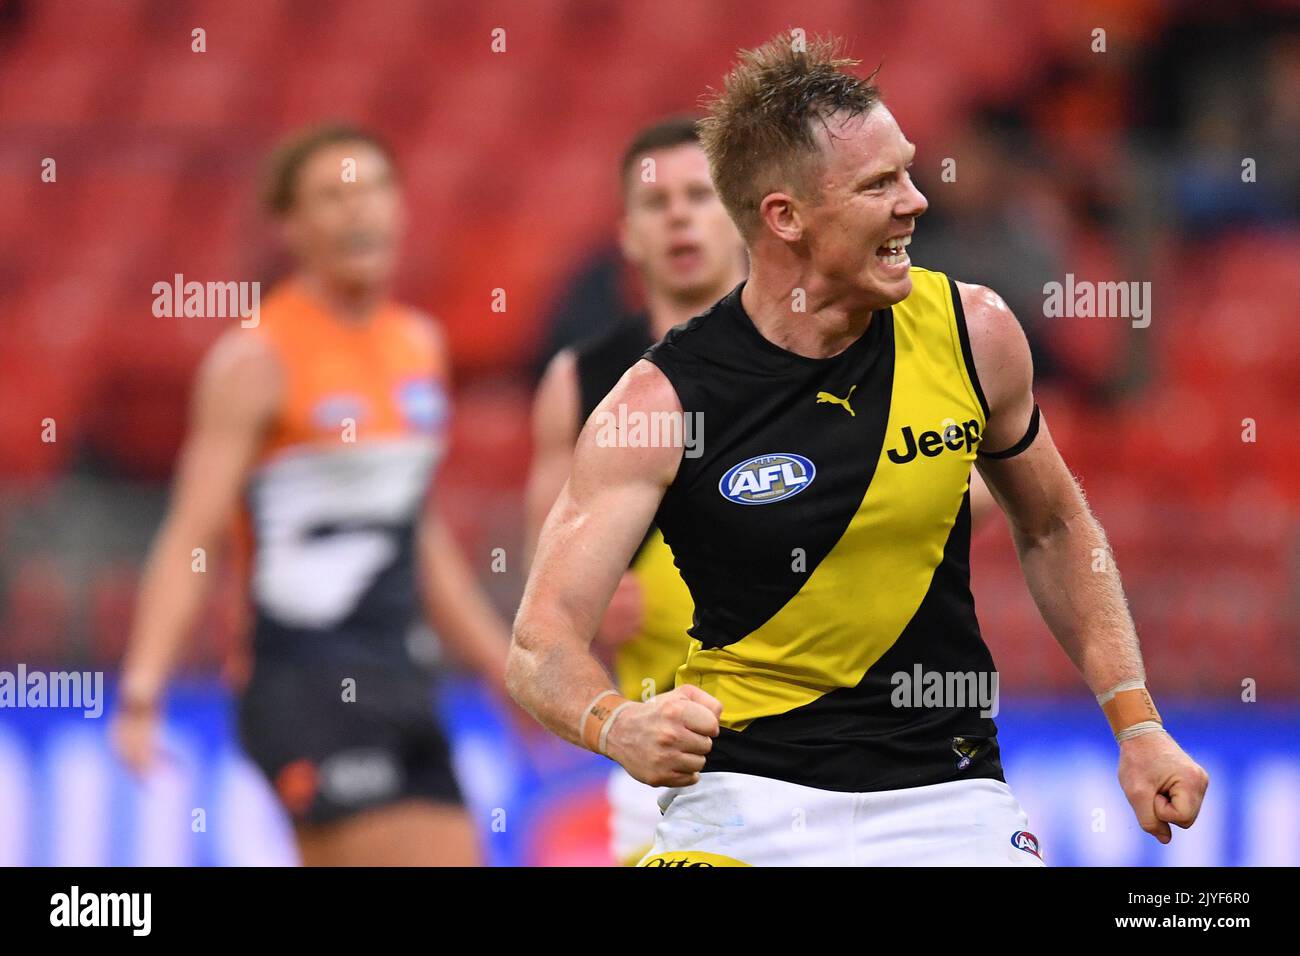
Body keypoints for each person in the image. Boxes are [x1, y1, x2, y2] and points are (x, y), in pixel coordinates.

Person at [507, 35, 1208, 866]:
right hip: (744, 803)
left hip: (949, 799)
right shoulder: (659, 402)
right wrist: (615, 723)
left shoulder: (973, 331)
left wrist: (1138, 724)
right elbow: (540, 643)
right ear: (785, 217)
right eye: (880, 184)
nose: (917, 201)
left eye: (908, 171)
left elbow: (1056, 528)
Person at [113, 124, 512, 866]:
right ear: (290, 226)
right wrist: (143, 687)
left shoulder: (417, 345)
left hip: (403, 674)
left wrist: (502, 667)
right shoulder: (256, 361)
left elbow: (413, 532)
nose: (360, 212)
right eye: (333, 196)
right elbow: (192, 534)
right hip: (305, 680)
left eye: (375, 190)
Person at [526, 116, 746, 864]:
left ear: (743, 212)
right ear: (627, 234)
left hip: (816, 723)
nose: (679, 214)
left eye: (700, 195)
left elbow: (960, 482)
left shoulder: (820, 350)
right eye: (657, 203)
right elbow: (543, 594)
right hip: (662, 747)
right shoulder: (580, 380)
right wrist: (589, 600)